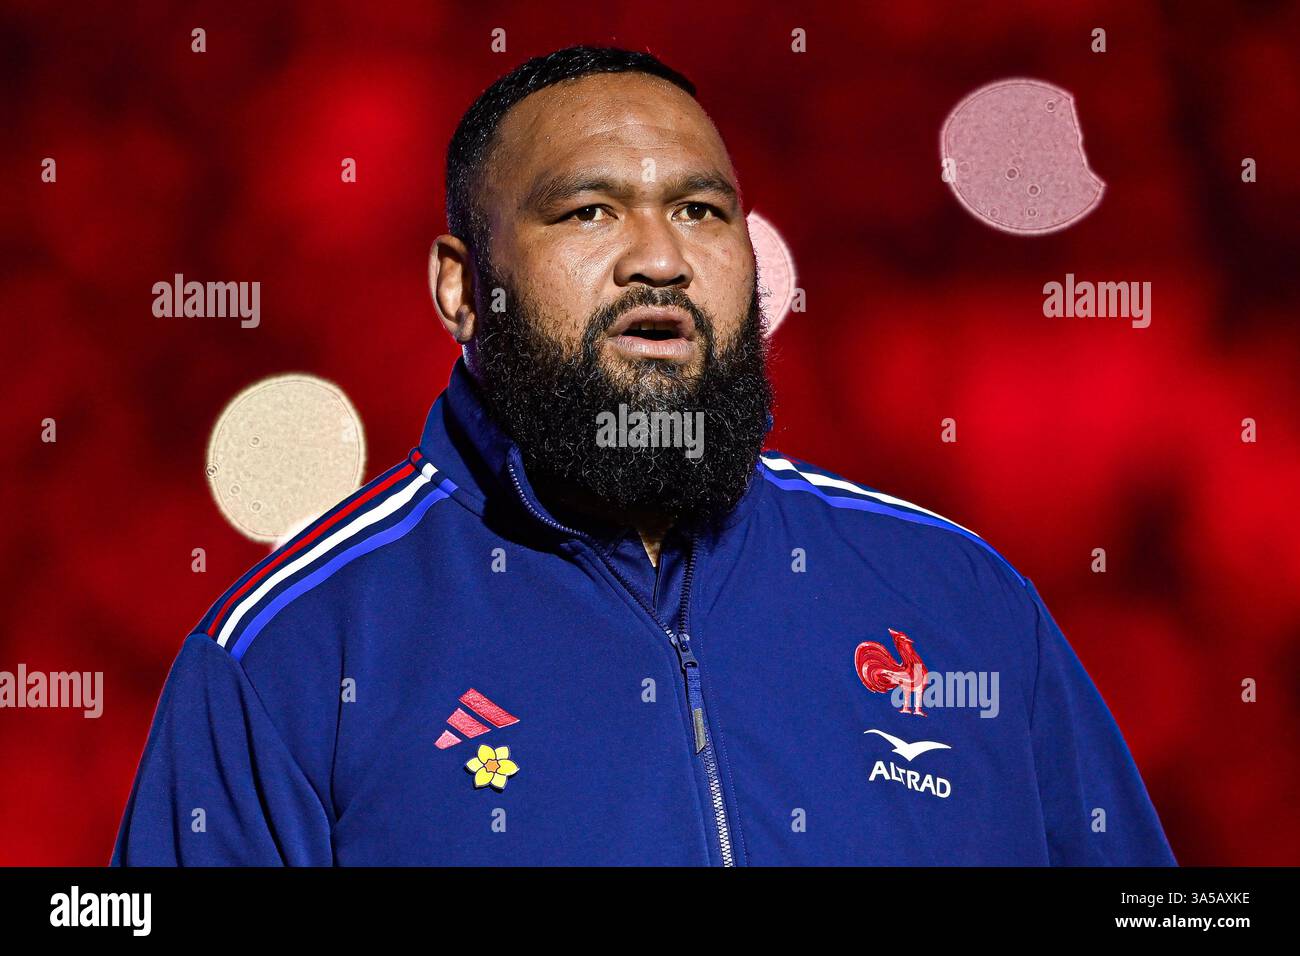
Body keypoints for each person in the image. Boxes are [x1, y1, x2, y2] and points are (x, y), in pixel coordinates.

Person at [111, 45, 1176, 866]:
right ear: (459, 285)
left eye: (701, 211)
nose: (659, 258)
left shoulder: (960, 597)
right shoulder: (292, 653)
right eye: (588, 210)